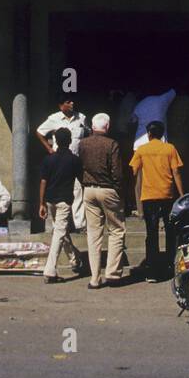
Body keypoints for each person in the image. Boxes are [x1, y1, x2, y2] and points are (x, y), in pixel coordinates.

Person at [129, 120, 185, 282]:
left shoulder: (142, 149)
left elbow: (133, 170)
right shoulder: (170, 149)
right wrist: (181, 194)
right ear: (162, 134)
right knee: (170, 231)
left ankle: (152, 271)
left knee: (151, 233)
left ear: (149, 134)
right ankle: (171, 266)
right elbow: (176, 173)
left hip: (149, 196)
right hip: (167, 195)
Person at [78, 114, 126, 288]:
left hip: (89, 189)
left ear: (92, 126)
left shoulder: (83, 144)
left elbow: (79, 166)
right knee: (116, 230)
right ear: (108, 127)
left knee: (93, 234)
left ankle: (94, 278)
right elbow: (117, 172)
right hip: (108, 189)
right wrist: (119, 191)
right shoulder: (112, 144)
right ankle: (112, 274)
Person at [36, 97, 89, 232]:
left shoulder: (81, 117)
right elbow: (39, 132)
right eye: (67, 102)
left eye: (72, 101)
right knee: (59, 192)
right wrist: (49, 149)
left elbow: (87, 134)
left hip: (75, 160)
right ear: (61, 106)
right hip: (59, 161)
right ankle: (59, 226)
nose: (72, 103)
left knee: (78, 191)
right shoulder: (54, 118)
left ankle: (80, 225)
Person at [38, 129, 85, 283]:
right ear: (70, 141)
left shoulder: (48, 159)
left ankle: (75, 259)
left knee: (60, 231)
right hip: (65, 200)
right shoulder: (74, 160)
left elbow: (43, 182)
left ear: (56, 141)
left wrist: (41, 203)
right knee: (59, 233)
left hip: (50, 200)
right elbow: (83, 180)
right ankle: (50, 270)